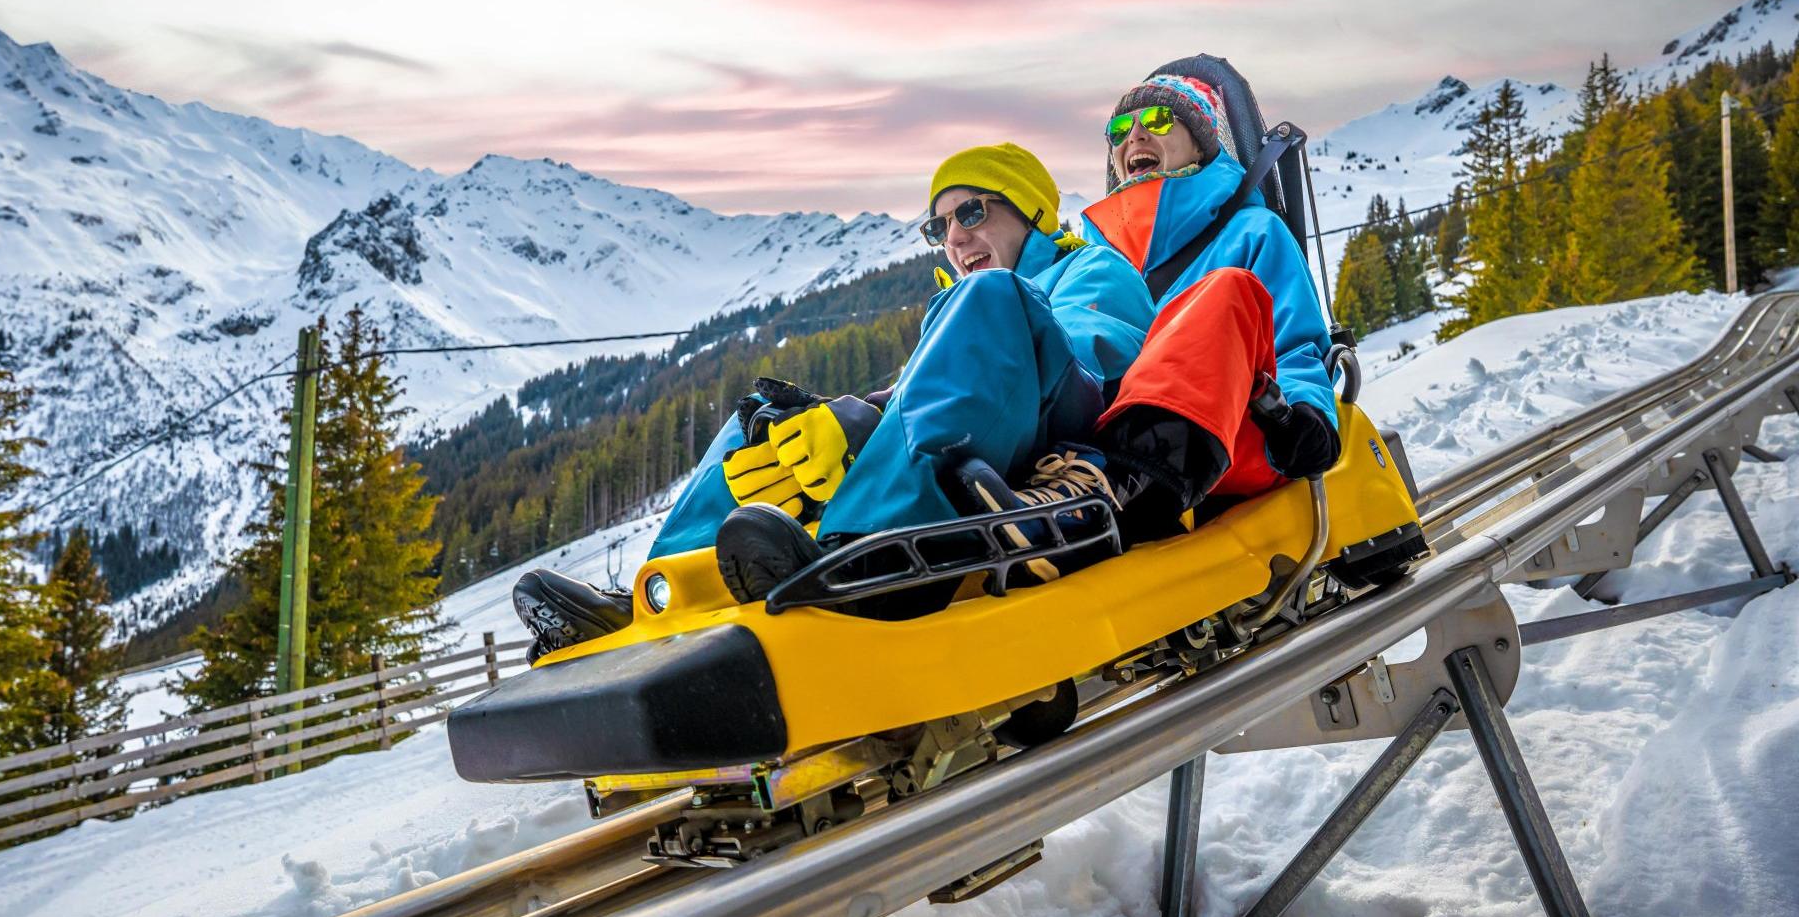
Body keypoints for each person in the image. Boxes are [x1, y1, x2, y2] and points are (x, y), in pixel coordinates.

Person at [513, 143, 1154, 660]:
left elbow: (1093, 358)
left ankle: (869, 561)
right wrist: (844, 421)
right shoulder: (967, 309)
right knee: (762, 429)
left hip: (1050, 432)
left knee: (988, 299)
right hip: (967, 444)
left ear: (1036, 214)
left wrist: (880, 413)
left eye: (973, 212)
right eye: (939, 225)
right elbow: (928, 400)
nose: (954, 238)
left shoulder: (1087, 272)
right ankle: (660, 594)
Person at [1076, 74, 1341, 539]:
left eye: (1157, 120)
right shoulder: (1094, 262)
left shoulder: (1253, 233)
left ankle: (1134, 480)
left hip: (1236, 431)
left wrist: (1305, 413)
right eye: (1118, 131)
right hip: (1097, 448)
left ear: (1199, 144)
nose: (1134, 135)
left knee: (1224, 294)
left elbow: (1294, 346)